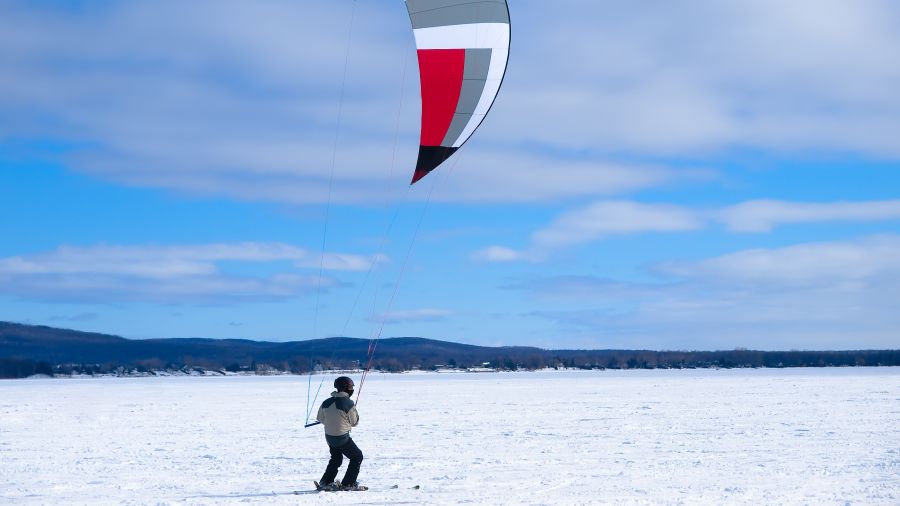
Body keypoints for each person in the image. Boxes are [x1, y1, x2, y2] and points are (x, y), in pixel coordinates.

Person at [315, 376, 366, 491]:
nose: (352, 389)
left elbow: (320, 418)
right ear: (346, 388)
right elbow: (354, 422)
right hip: (342, 438)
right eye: (351, 387)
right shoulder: (348, 403)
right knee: (357, 456)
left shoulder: (326, 402)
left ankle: (325, 482)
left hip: (329, 438)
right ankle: (348, 483)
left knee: (336, 458)